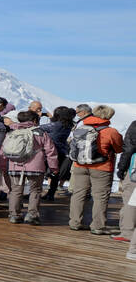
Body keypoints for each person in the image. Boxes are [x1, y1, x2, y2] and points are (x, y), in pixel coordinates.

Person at [67, 104, 123, 234]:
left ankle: (75, 222)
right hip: (101, 167)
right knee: (100, 197)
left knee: (78, 194)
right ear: (108, 116)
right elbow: (119, 148)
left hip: (80, 165)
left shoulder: (81, 127)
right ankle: (98, 226)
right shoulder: (110, 131)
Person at [0, 110, 57, 225]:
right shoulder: (41, 133)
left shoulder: (12, 132)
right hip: (36, 167)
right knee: (35, 190)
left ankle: (14, 215)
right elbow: (51, 151)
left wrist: (3, 166)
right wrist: (53, 167)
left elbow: (3, 151)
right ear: (34, 120)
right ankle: (32, 215)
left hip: (15, 166)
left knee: (15, 191)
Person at [41, 106, 76, 201]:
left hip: (49, 151)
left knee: (41, 171)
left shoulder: (56, 125)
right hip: (61, 150)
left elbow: (40, 128)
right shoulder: (68, 125)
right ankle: (51, 194)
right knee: (55, 173)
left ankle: (36, 192)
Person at [115, 115, 136, 243]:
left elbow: (128, 149)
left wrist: (121, 168)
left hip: (134, 171)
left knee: (131, 201)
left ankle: (127, 232)